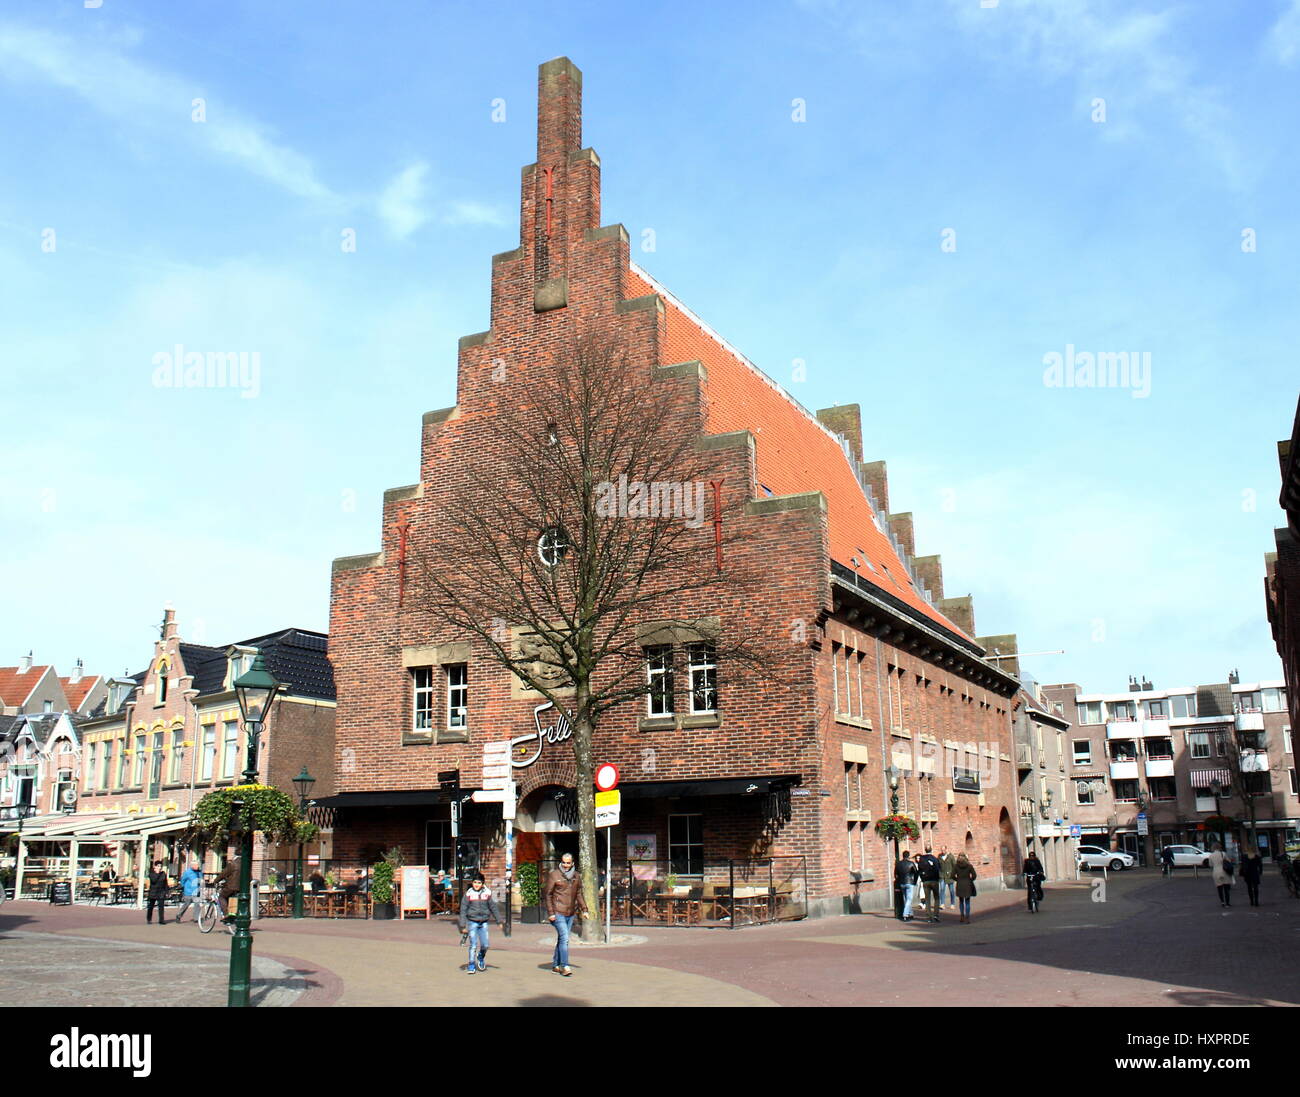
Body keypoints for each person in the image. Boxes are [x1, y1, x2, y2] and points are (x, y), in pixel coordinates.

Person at [544, 853, 588, 976]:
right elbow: (548, 894)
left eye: (568, 863)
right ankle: (565, 966)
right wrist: (551, 913)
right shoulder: (554, 875)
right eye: (564, 862)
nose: (566, 865)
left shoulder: (576, 876)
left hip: (570, 912)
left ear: (572, 863)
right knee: (565, 938)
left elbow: (579, 893)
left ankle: (555, 965)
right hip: (558, 912)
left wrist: (584, 909)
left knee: (562, 939)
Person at [458, 871, 501, 974]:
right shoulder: (469, 894)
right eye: (475, 882)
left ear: (483, 884)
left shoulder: (487, 893)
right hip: (472, 922)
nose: (476, 885)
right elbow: (463, 909)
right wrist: (463, 925)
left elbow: (493, 907)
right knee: (473, 944)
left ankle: (480, 957)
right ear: (472, 883)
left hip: (484, 922)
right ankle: (471, 964)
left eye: (479, 883)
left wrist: (499, 921)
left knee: (485, 945)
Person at [916, 847, 942, 922]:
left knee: (927, 899)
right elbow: (938, 869)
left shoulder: (922, 859)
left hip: (926, 881)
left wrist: (923, 878)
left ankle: (929, 916)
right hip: (934, 880)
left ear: (925, 850)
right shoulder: (935, 859)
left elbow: (919, 870)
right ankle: (936, 915)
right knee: (936, 898)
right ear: (931, 850)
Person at [175, 859, 203, 924]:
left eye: (198, 865)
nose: (198, 866)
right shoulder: (187, 872)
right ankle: (179, 915)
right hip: (189, 891)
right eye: (196, 865)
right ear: (192, 866)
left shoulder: (199, 872)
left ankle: (196, 918)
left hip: (196, 891)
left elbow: (201, 880)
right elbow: (183, 880)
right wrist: (183, 886)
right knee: (186, 904)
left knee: (197, 905)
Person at [894, 851, 919, 921]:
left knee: (906, 898)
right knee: (909, 899)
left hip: (902, 883)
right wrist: (914, 881)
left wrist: (898, 880)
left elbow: (895, 874)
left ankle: (910, 913)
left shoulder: (898, 864)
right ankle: (905, 914)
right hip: (909, 882)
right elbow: (916, 873)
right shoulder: (911, 863)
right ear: (908, 856)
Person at [953, 853, 978, 923]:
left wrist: (957, 879)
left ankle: (962, 916)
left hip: (960, 884)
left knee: (961, 901)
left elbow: (952, 875)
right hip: (967, 885)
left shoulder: (956, 866)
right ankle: (967, 917)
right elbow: (974, 875)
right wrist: (970, 880)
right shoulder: (969, 866)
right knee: (967, 902)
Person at [1208, 843, 1234, 907]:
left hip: (1216, 872)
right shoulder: (1223, 853)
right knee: (1226, 888)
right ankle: (1227, 902)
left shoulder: (1211, 855)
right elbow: (1228, 861)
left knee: (1219, 888)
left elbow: (1210, 865)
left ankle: (1222, 902)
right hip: (1224, 871)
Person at [216, 856, 241, 921]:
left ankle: (226, 914)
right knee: (231, 897)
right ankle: (232, 914)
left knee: (221, 897)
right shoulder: (245, 865)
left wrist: (215, 881)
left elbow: (223, 874)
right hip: (241, 888)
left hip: (231, 887)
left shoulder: (232, 864)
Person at [145, 860, 169, 925]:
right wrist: (157, 873)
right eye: (158, 866)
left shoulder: (163, 874)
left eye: (160, 866)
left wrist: (167, 891)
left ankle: (161, 920)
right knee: (151, 906)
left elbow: (165, 883)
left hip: (161, 892)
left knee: (161, 907)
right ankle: (149, 919)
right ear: (155, 866)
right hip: (153, 891)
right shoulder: (151, 874)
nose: (159, 867)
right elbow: (154, 880)